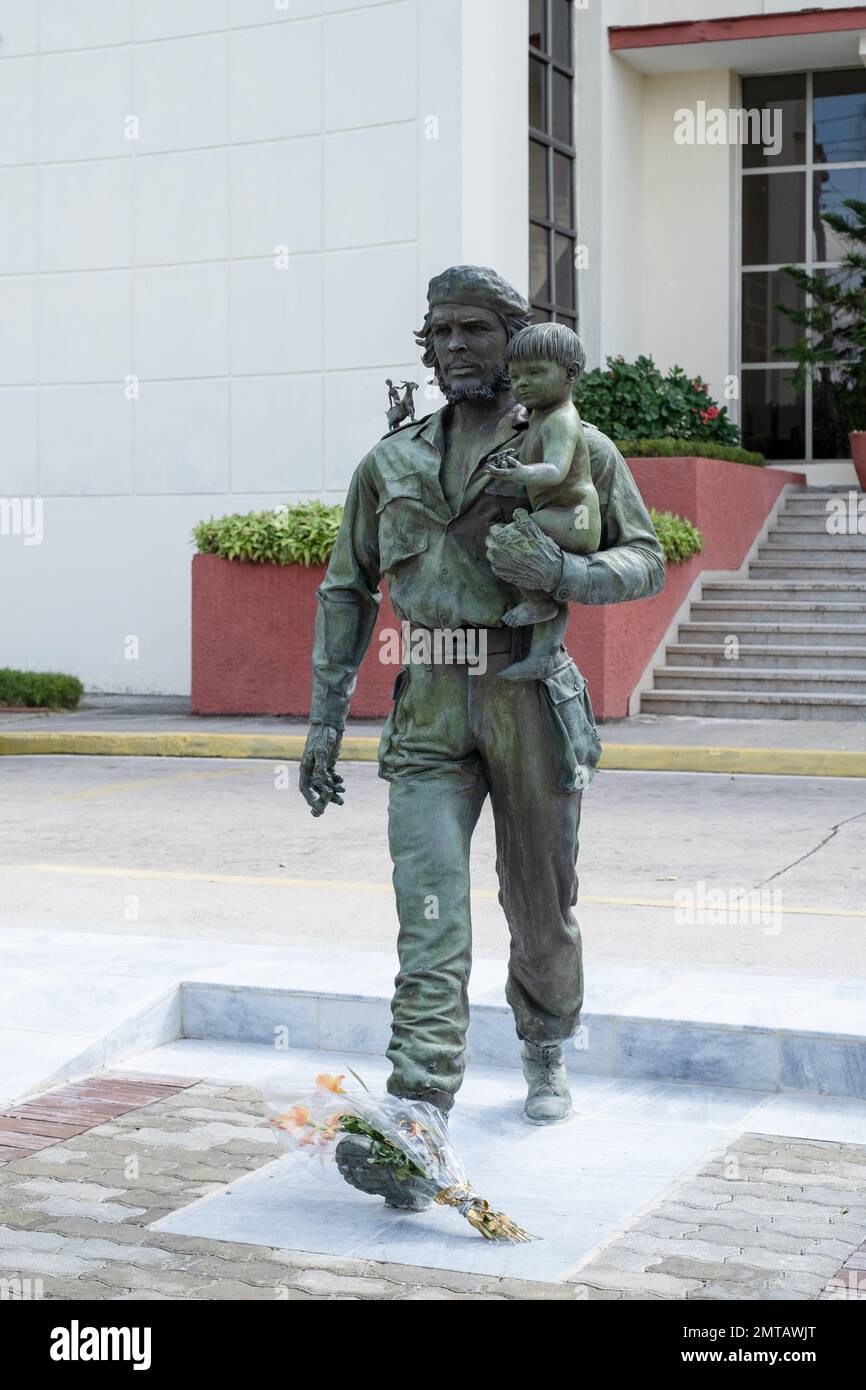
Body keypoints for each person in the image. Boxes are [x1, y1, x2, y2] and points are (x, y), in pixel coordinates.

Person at [299, 265, 665, 1210]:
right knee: (430, 916)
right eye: (441, 333)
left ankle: (545, 1046)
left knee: (540, 904)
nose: (457, 346)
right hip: (427, 700)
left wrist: (562, 570)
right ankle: (420, 1110)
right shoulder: (391, 463)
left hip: (528, 690)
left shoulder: (573, 440)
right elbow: (346, 589)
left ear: (514, 340)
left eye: (476, 330)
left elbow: (643, 558)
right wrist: (324, 720)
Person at [486, 320, 601, 680]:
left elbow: (553, 470)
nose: (521, 384)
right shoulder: (538, 417)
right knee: (545, 582)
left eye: (534, 373)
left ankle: (536, 604)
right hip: (559, 512)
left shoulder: (561, 421)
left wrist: (519, 472)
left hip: (574, 516)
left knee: (510, 541)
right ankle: (541, 653)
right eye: (515, 376)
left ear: (570, 373)